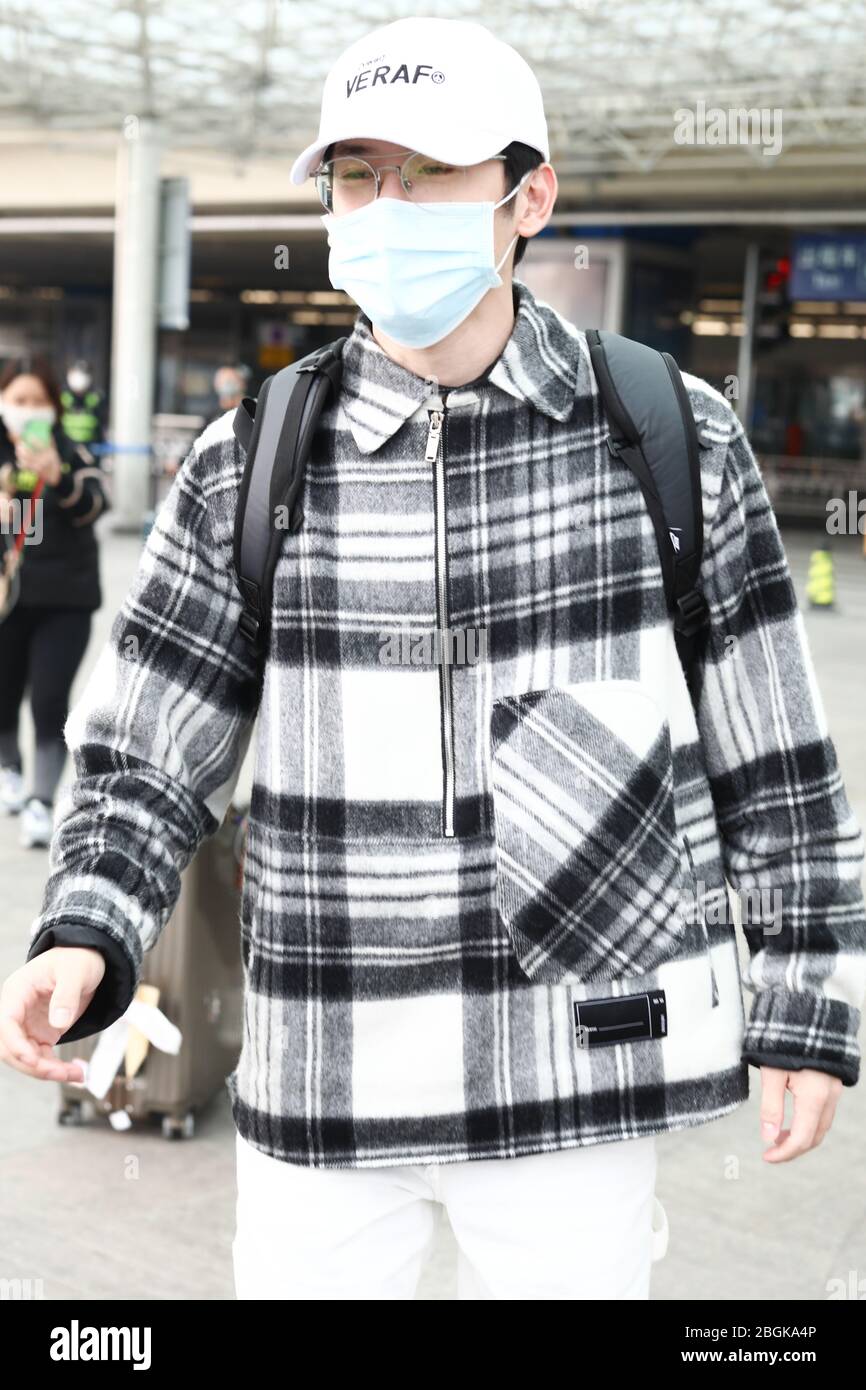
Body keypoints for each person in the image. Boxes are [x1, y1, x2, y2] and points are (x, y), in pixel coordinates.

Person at [1, 16, 865, 1301]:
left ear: (529, 196)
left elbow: (774, 758)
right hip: (326, 1084)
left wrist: (805, 1002)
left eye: (431, 171)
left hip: (576, 1071)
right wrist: (88, 924)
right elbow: (147, 740)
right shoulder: (253, 460)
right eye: (359, 175)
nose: (386, 205)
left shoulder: (665, 433)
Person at [0, 356, 109, 847]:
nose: (27, 411)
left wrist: (58, 476)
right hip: (7, 599)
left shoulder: (72, 452)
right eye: (18, 401)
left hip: (65, 598)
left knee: (49, 700)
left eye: (37, 402)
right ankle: (10, 771)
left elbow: (93, 505)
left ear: (54, 408)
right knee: (3, 697)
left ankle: (42, 801)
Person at [59, 360, 106, 449]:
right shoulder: (62, 397)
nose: (79, 378)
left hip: (91, 449)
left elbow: (101, 426)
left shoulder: (96, 398)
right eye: (76, 372)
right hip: (66, 449)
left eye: (83, 373)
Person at [205, 363, 251, 427]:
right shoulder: (213, 416)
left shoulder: (249, 411)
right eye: (223, 381)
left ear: (242, 383)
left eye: (230, 381)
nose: (227, 385)